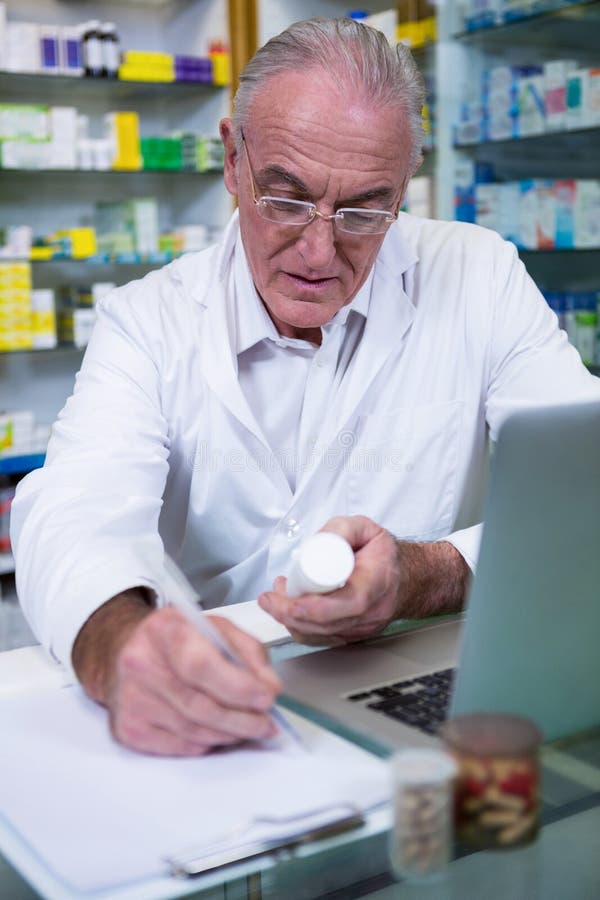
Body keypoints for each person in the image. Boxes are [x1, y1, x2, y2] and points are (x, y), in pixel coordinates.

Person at [11, 18, 600, 757]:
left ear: (404, 187)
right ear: (232, 158)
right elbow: (74, 510)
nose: (320, 252)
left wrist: (423, 575)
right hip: (220, 707)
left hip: (411, 688)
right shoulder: (148, 321)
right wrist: (119, 644)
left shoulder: (476, 274)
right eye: (285, 200)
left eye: (364, 212)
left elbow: (583, 491)